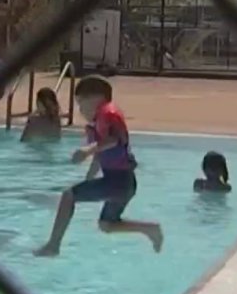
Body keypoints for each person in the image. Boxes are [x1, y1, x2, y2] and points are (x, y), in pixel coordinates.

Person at [34, 76, 163, 257]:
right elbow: (100, 157)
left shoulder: (107, 113)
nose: (80, 110)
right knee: (107, 225)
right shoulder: (99, 122)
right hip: (124, 183)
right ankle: (150, 229)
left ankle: (53, 246)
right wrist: (88, 179)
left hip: (117, 181)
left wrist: (88, 149)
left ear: (95, 98)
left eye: (80, 103)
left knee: (68, 196)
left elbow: (114, 140)